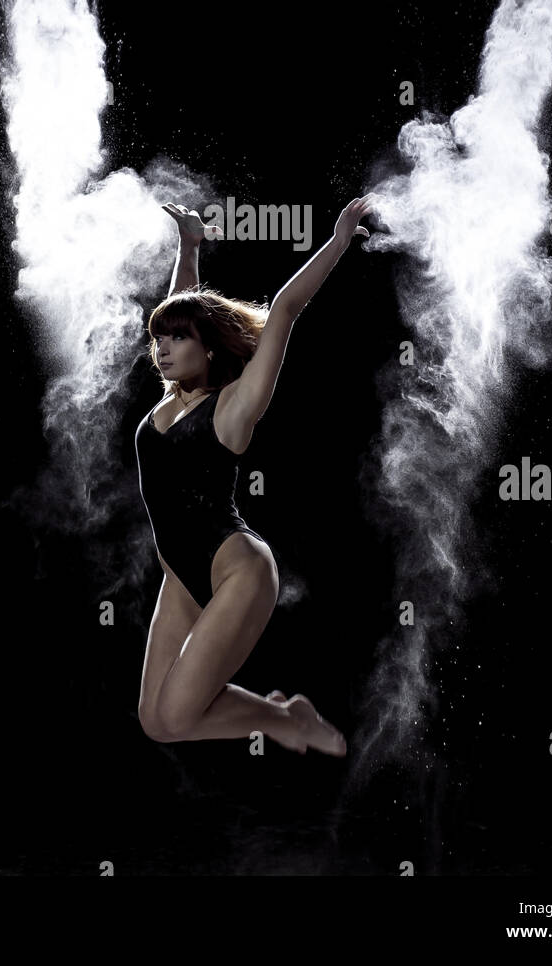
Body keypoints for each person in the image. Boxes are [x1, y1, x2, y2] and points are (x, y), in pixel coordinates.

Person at [135, 196, 373, 756]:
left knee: (177, 711)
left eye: (176, 340)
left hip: (236, 570)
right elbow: (182, 306)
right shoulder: (169, 399)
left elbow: (285, 310)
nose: (162, 350)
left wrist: (337, 242)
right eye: (158, 339)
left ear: (209, 347)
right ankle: (285, 717)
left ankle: (286, 722)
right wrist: (188, 245)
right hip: (180, 576)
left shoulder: (234, 407)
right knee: (158, 723)